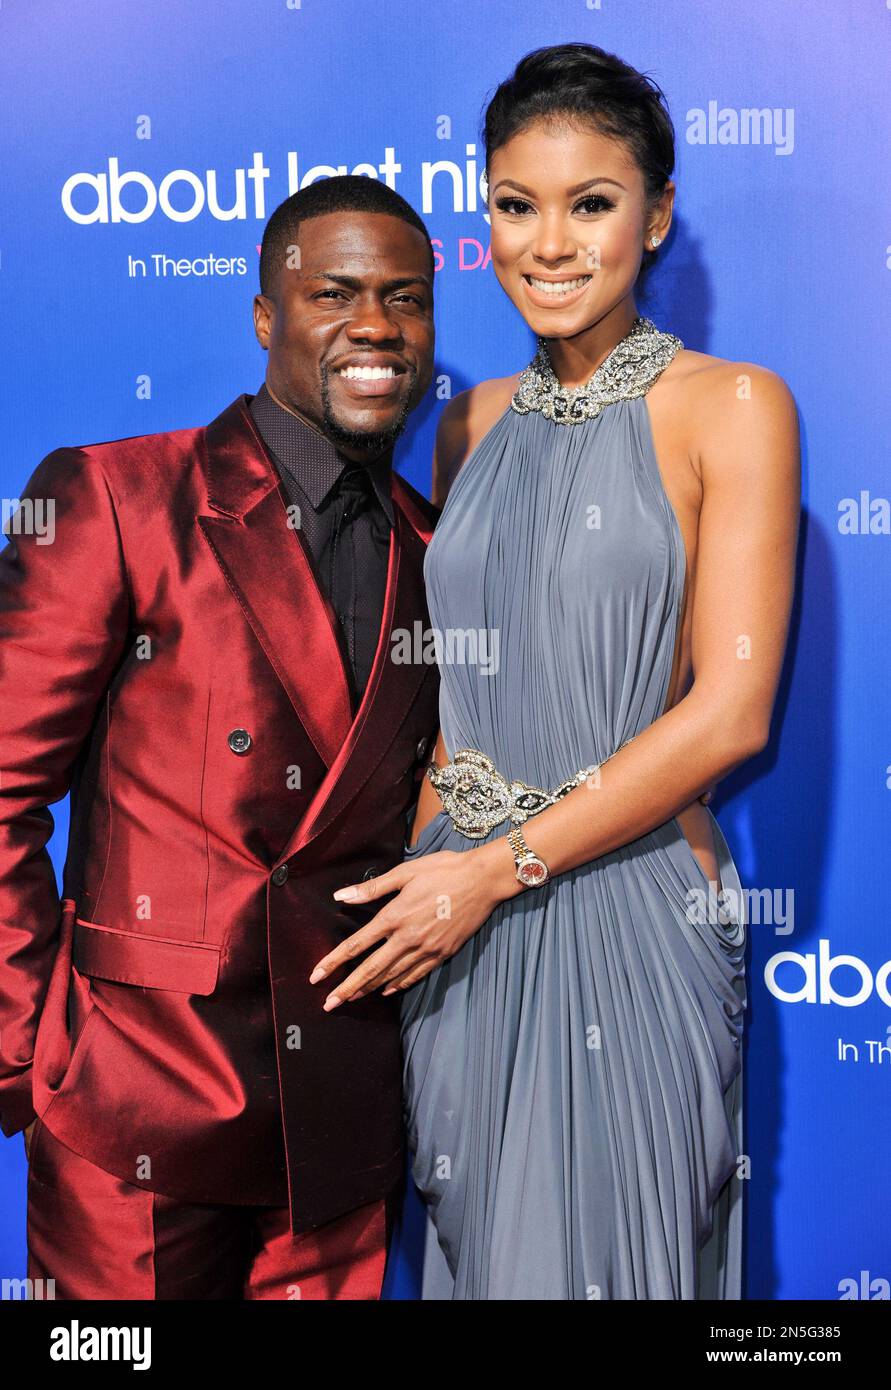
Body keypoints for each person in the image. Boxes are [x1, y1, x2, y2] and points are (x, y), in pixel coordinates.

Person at [309, 45, 801, 1299]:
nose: (552, 243)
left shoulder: (734, 406)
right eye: (518, 205)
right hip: (453, 922)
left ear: (659, 213)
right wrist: (436, 873)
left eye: (593, 202)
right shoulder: (464, 423)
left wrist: (499, 867)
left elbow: (734, 712)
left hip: (624, 909)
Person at [0, 175, 440, 1299]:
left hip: (341, 1128)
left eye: (405, 296)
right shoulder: (118, 495)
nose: (376, 326)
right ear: (263, 315)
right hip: (134, 1114)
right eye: (334, 292)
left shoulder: (438, 547)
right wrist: (24, 1046)